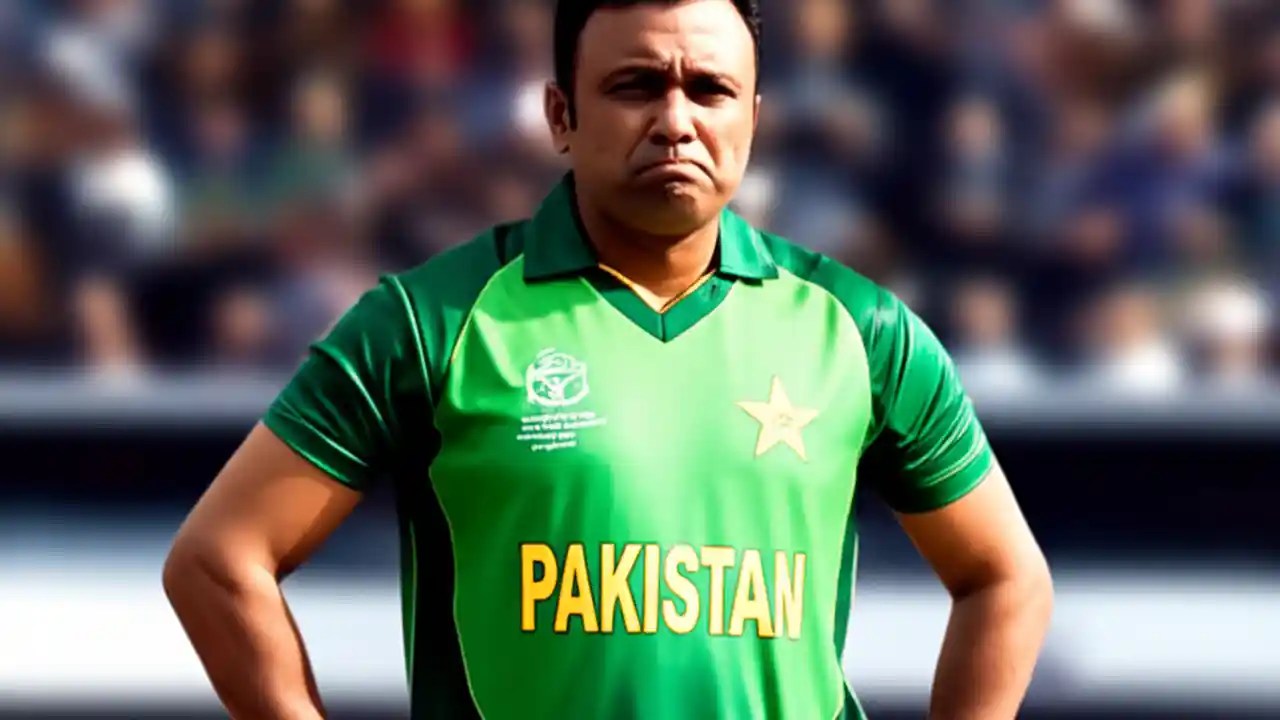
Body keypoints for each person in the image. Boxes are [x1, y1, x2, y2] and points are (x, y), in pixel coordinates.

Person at [162, 1, 1053, 718]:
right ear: (561, 114)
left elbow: (1005, 578)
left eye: (710, 89)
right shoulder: (428, 323)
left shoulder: (860, 330)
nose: (676, 121)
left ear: (753, 117)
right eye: (635, 86)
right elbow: (216, 560)